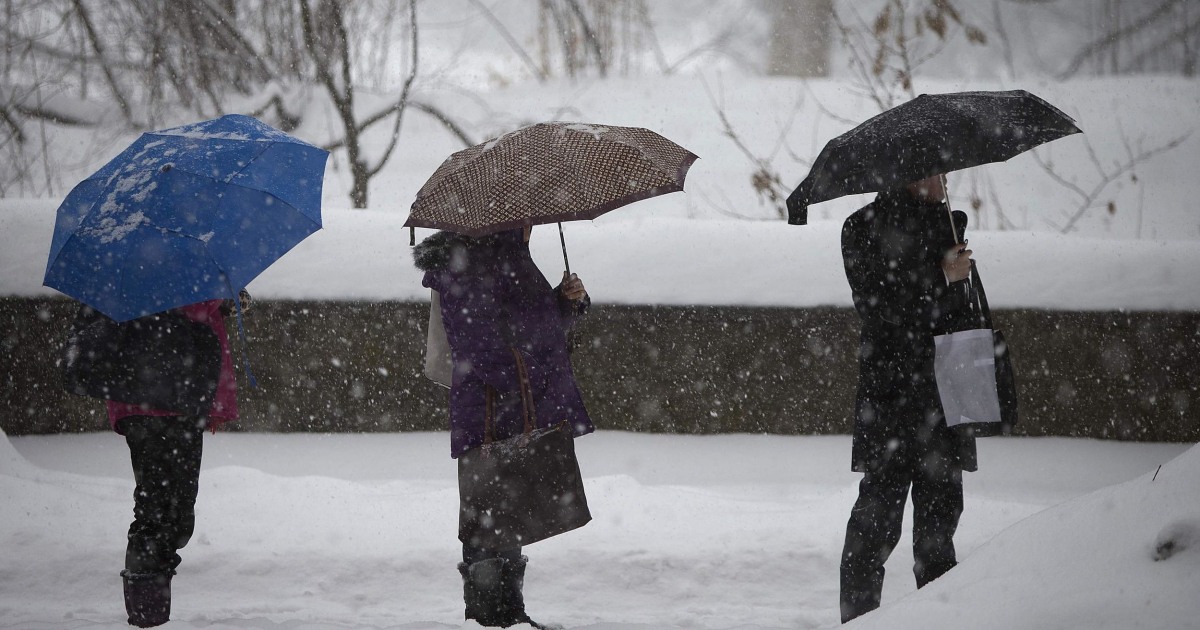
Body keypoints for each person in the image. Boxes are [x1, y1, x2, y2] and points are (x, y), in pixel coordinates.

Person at [413, 226, 592, 629]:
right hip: (488, 410)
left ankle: (507, 615)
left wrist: (565, 304)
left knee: (508, 514)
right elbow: (477, 344)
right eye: (527, 218)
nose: (532, 224)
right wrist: (529, 375)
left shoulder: (511, 255)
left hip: (509, 406)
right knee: (486, 517)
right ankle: (489, 618)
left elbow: (531, 326)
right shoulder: (468, 262)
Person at [837, 174, 978, 623]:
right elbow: (879, 309)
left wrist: (959, 279)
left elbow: (955, 315)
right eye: (935, 171)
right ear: (911, 173)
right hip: (891, 400)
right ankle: (858, 622)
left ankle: (935, 621)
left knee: (938, 538)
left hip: (942, 397)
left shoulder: (948, 226)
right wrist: (941, 276)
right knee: (873, 531)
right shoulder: (862, 227)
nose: (944, 179)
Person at [105, 293, 246, 627]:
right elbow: (185, 306)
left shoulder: (137, 276)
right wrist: (219, 297)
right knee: (160, 513)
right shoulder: (169, 274)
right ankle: (148, 613)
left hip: (171, 398)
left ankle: (149, 608)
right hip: (160, 398)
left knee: (172, 516)